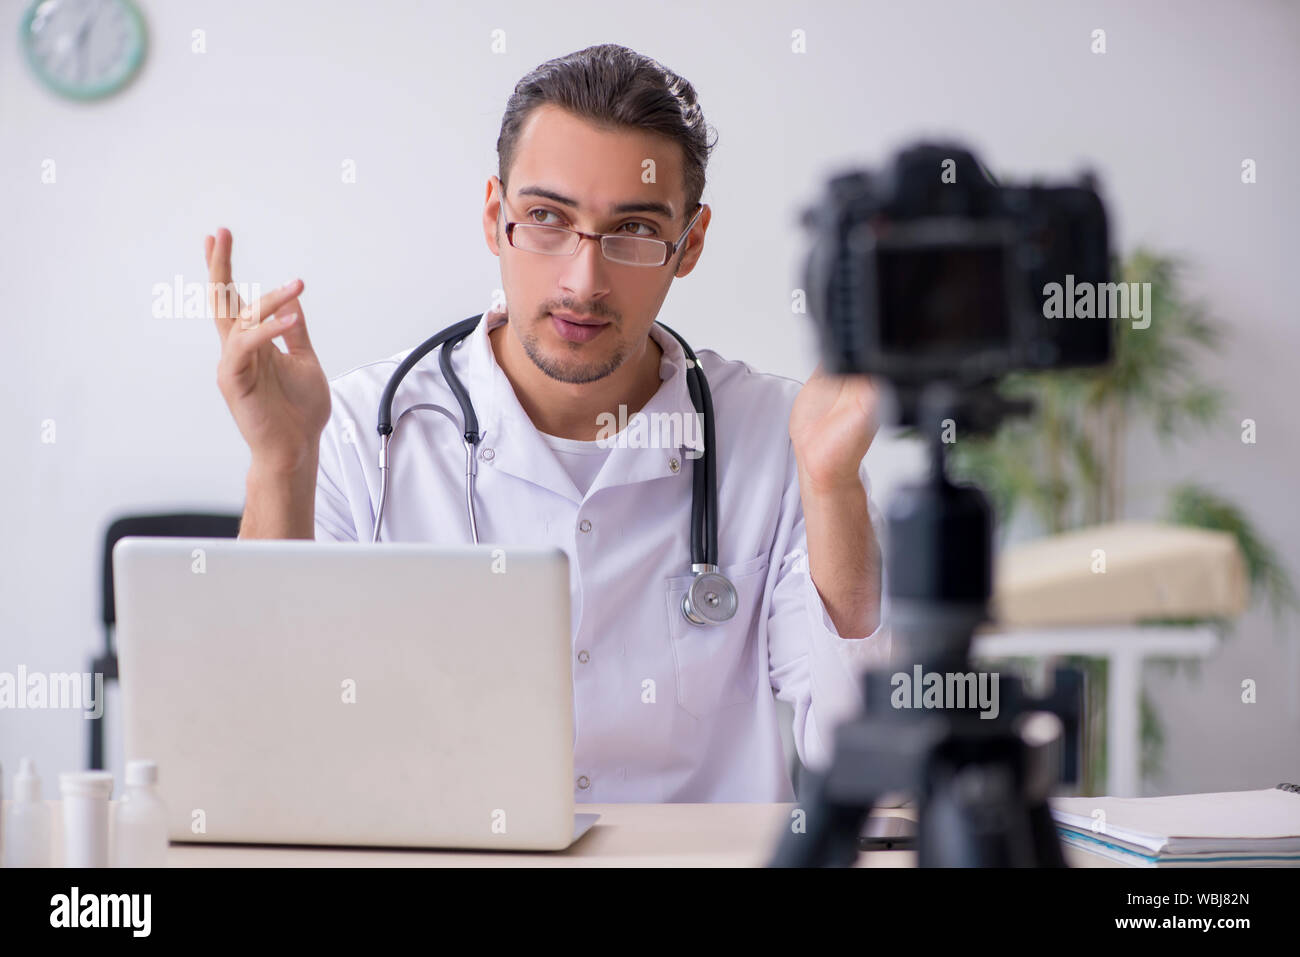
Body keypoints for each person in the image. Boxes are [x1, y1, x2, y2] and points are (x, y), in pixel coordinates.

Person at [205, 43, 889, 803]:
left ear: (687, 244)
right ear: (496, 217)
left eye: (631, 229)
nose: (582, 280)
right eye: (546, 219)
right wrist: (281, 462)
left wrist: (832, 487)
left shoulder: (779, 436)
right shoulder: (363, 429)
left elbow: (867, 756)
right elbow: (257, 740)